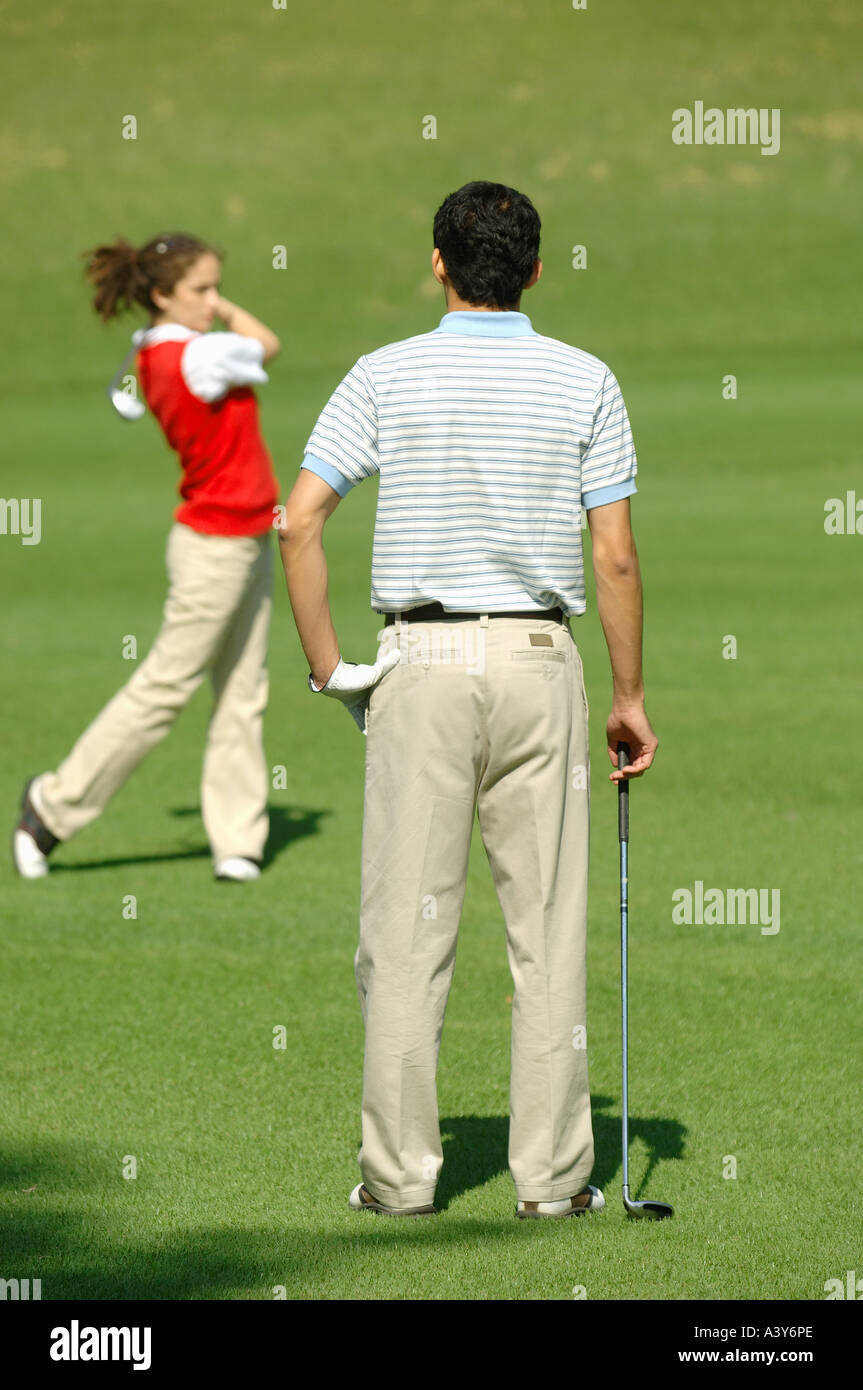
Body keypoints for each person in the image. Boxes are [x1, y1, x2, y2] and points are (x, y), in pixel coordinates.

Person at [278, 181, 658, 1218]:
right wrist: (627, 695)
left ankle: (399, 1181)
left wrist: (326, 668)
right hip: (542, 661)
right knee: (545, 933)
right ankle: (552, 1183)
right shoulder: (584, 377)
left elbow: (297, 523)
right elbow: (612, 557)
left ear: (438, 264)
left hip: (418, 665)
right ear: (534, 269)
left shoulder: (380, 373)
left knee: (403, 936)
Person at [13, 233, 281, 883]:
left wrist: (192, 314)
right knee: (164, 688)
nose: (214, 300)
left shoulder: (159, 351)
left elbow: (144, 383)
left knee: (243, 690)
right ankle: (51, 807)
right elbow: (267, 342)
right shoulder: (202, 356)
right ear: (162, 294)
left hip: (249, 536)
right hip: (214, 547)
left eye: (218, 286)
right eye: (202, 289)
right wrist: (222, 312)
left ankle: (236, 838)